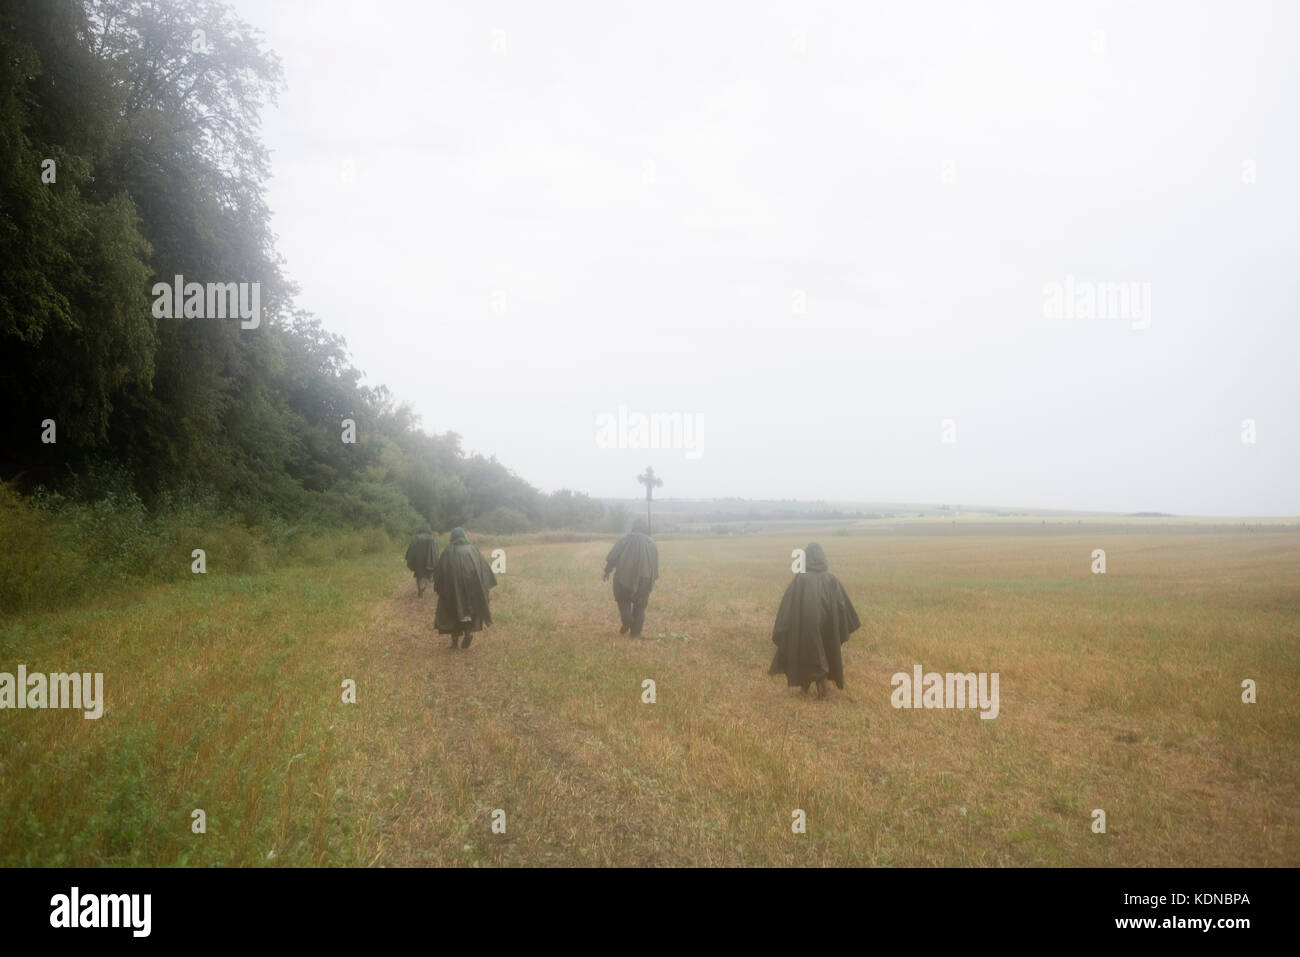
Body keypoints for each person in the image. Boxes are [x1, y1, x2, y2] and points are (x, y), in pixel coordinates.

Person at [768, 543, 861, 698]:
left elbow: (789, 605)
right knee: (822, 651)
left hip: (805, 627)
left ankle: (814, 689)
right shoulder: (831, 578)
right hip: (828, 626)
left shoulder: (801, 579)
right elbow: (841, 604)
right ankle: (813, 689)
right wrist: (839, 624)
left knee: (806, 652)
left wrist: (786, 626)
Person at [433, 527, 497, 648]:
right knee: (468, 610)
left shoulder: (448, 550)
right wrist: (482, 587)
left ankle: (454, 642)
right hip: (471, 587)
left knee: (452, 611)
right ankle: (467, 633)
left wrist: (440, 586)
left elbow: (440, 570)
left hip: (452, 587)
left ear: (452, 536)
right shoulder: (473, 549)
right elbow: (482, 568)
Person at [603, 518, 658, 637]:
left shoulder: (625, 539)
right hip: (645, 579)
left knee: (623, 601)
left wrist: (607, 570)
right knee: (640, 606)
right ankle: (635, 634)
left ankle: (627, 619)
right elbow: (654, 564)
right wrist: (652, 579)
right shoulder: (651, 543)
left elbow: (614, 555)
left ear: (633, 527)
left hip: (623, 576)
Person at [404, 522, 439, 597]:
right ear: (428, 529)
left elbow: (411, 549)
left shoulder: (415, 537)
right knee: (428, 576)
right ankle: (424, 588)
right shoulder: (431, 538)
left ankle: (420, 590)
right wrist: (435, 561)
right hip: (428, 561)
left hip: (418, 560)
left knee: (419, 575)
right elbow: (435, 551)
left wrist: (411, 559)